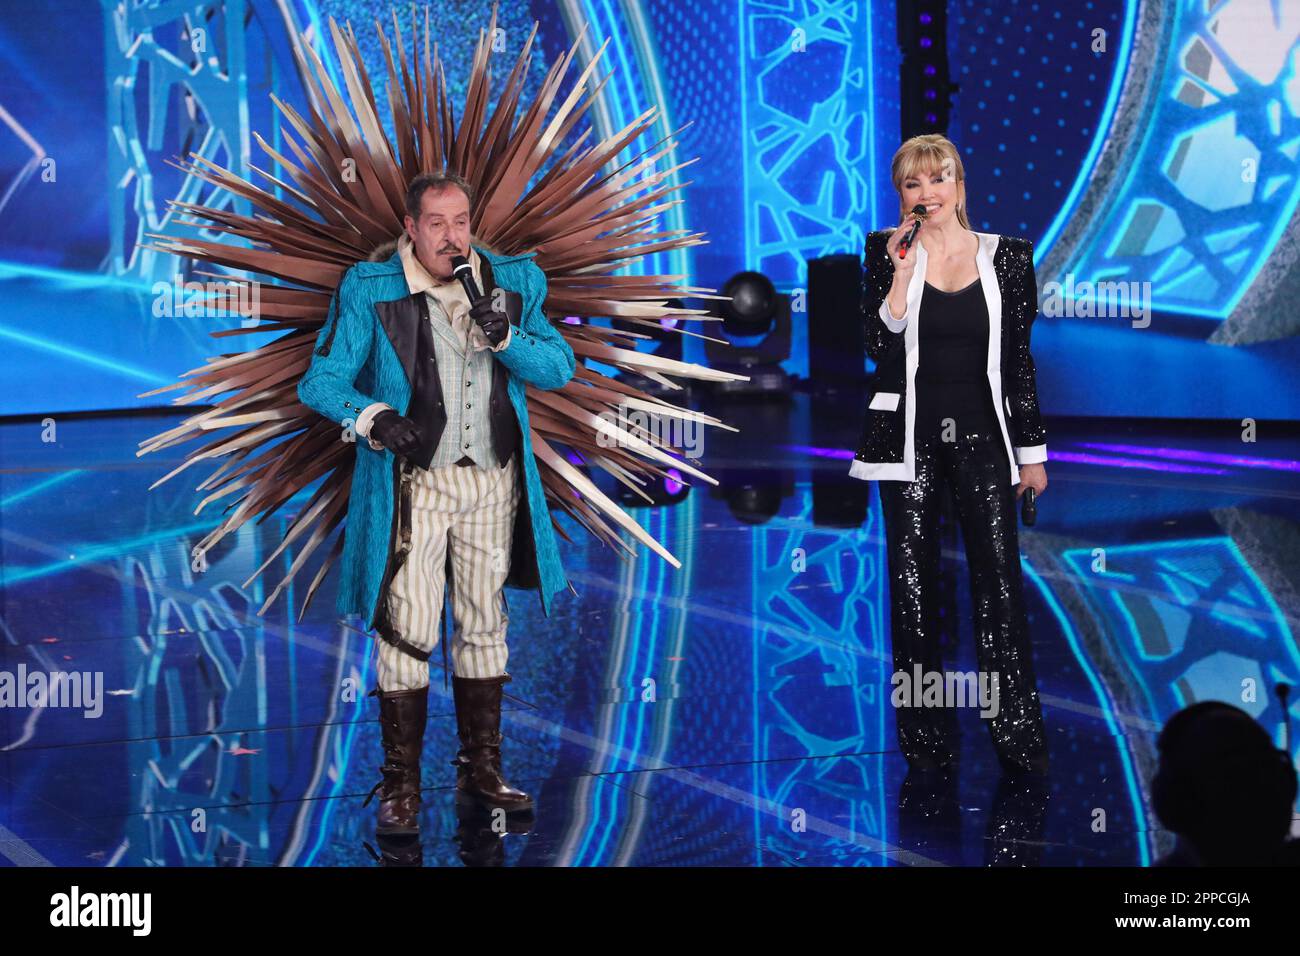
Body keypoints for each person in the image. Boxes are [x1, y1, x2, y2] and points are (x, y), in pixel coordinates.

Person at [298, 171, 576, 833]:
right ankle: (401, 784)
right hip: (412, 486)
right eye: (437, 224)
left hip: (492, 481)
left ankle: (482, 768)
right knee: (408, 627)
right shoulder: (371, 288)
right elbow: (322, 378)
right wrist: (371, 415)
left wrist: (507, 336)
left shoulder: (513, 281)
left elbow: (559, 368)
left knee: (485, 623)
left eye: (461, 221)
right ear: (411, 227)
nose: (453, 237)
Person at [850, 134, 1049, 775]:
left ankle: (1017, 736)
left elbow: (1018, 361)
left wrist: (1032, 454)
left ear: (960, 187)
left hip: (985, 444)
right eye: (913, 183)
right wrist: (902, 275)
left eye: (938, 179)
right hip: (906, 446)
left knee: (999, 587)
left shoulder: (1010, 259)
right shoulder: (885, 256)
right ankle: (926, 745)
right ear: (901, 196)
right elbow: (876, 343)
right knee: (913, 595)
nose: (927, 192)